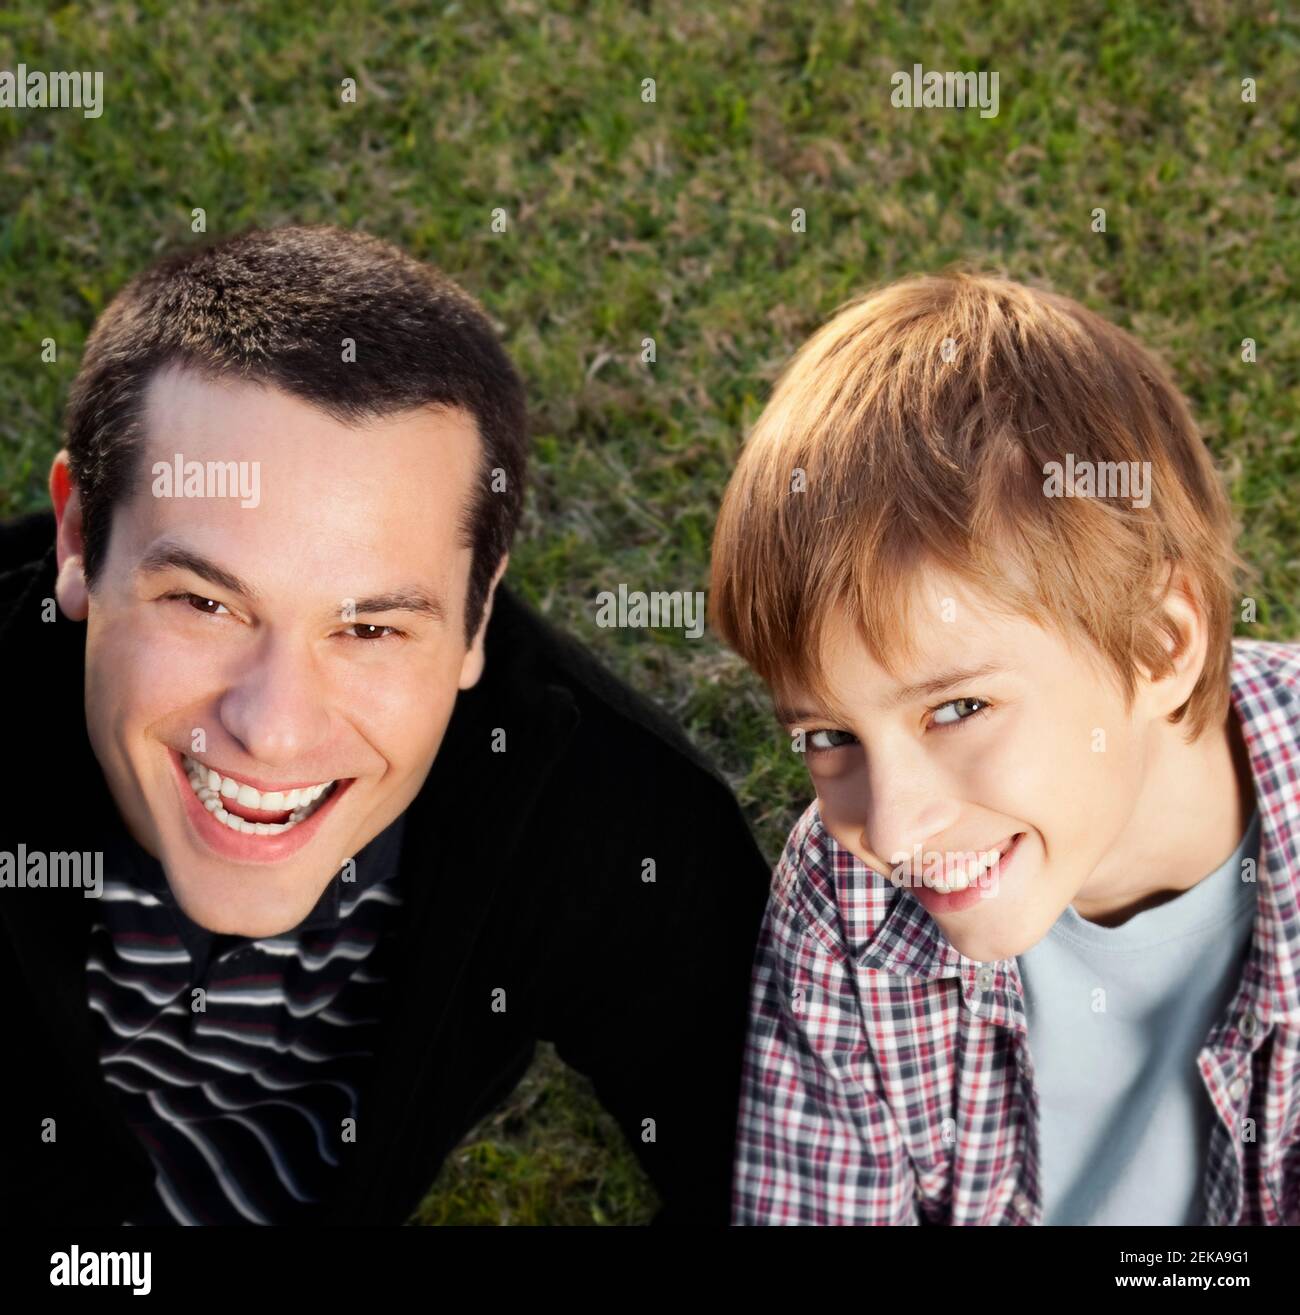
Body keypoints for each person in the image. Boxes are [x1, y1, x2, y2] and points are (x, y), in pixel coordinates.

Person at [0, 224, 769, 1227]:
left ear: (477, 615)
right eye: (204, 602)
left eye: (366, 627)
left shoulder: (610, 827)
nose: (273, 729)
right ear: (75, 538)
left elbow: (777, 1169)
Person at [710, 271, 1300, 1225]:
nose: (894, 827)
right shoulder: (843, 897)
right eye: (828, 737)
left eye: (957, 709)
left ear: (1160, 644)